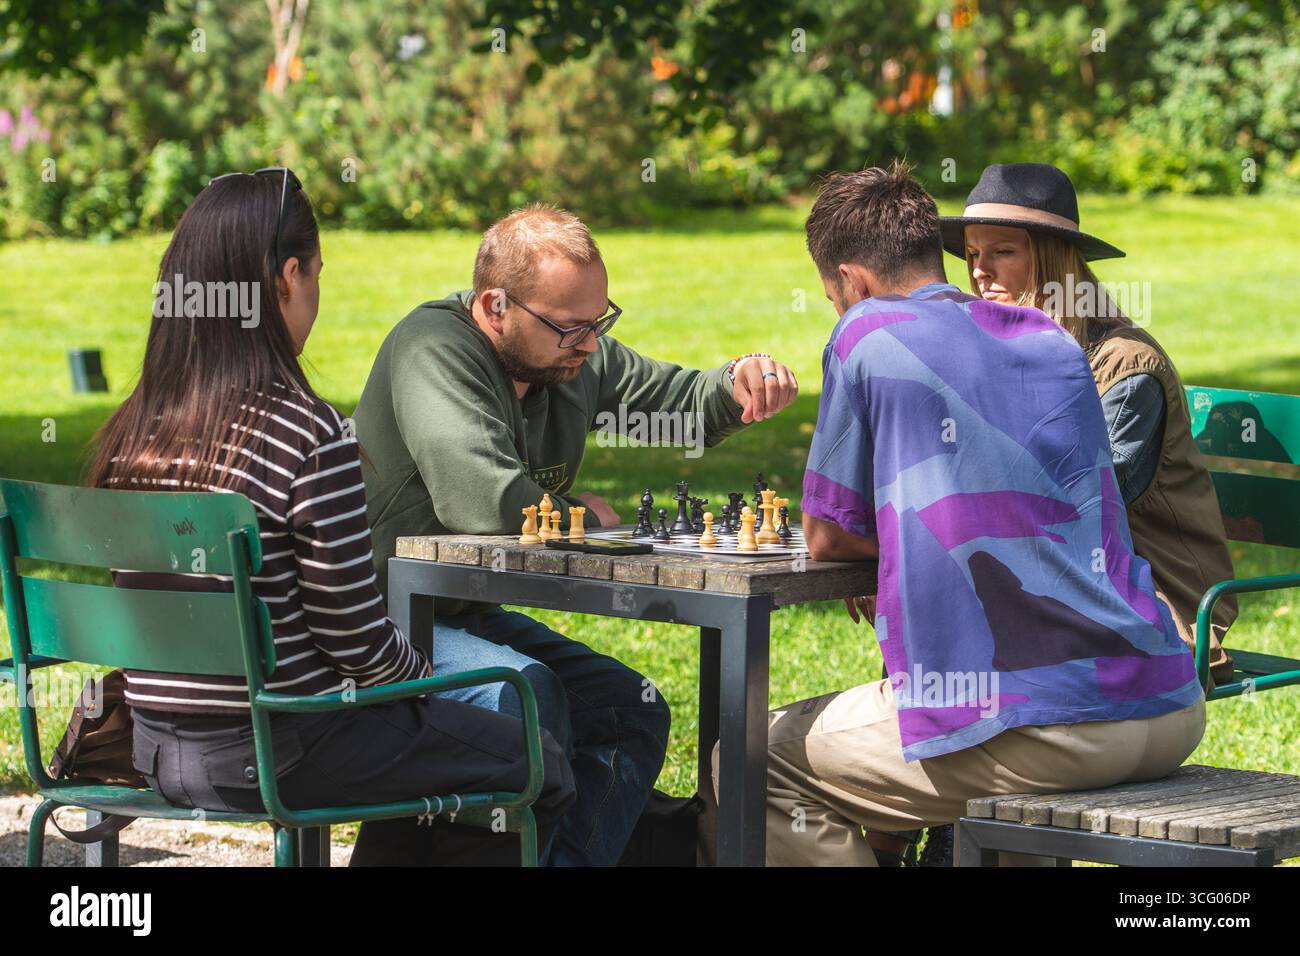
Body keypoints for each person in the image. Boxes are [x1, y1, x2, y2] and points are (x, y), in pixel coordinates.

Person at [719, 160, 1205, 867]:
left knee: (750, 756)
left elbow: (827, 535)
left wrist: (891, 546)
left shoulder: (864, 331)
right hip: (1167, 702)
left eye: (832, 298)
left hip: (1048, 726)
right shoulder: (1053, 343)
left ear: (850, 284)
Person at [88, 169, 575, 865]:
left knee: (440, 740)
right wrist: (429, 681)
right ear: (287, 277)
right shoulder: (306, 434)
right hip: (287, 748)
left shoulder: (137, 431)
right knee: (534, 757)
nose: (317, 290)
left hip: (157, 745)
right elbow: (358, 642)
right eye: (316, 273)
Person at [352, 202, 799, 865]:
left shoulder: (571, 358)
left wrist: (735, 387)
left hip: (463, 613)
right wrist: (578, 516)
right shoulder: (432, 347)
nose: (590, 344)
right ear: (493, 306)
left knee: (630, 710)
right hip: (382, 623)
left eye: (600, 322)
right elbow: (485, 499)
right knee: (527, 694)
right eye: (570, 327)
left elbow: (675, 403)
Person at [939, 163, 1236, 691]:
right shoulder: (997, 356)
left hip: (1154, 598)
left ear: (1053, 262)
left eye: (1002, 252)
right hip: (1061, 582)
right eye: (972, 254)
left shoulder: (1125, 366)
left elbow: (1086, 509)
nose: (980, 271)